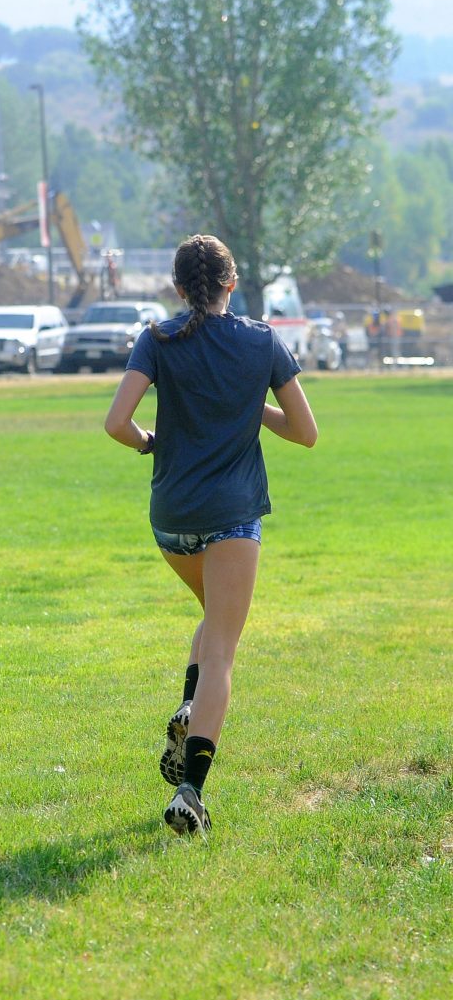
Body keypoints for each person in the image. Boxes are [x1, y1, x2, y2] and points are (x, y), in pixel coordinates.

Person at [103, 235, 318, 836]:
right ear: (232, 281)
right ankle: (191, 791)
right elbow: (305, 432)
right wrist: (252, 407)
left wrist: (149, 441)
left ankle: (187, 702)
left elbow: (116, 423)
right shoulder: (260, 340)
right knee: (223, 642)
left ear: (177, 287)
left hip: (171, 515)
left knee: (214, 617)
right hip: (233, 513)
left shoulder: (158, 338)